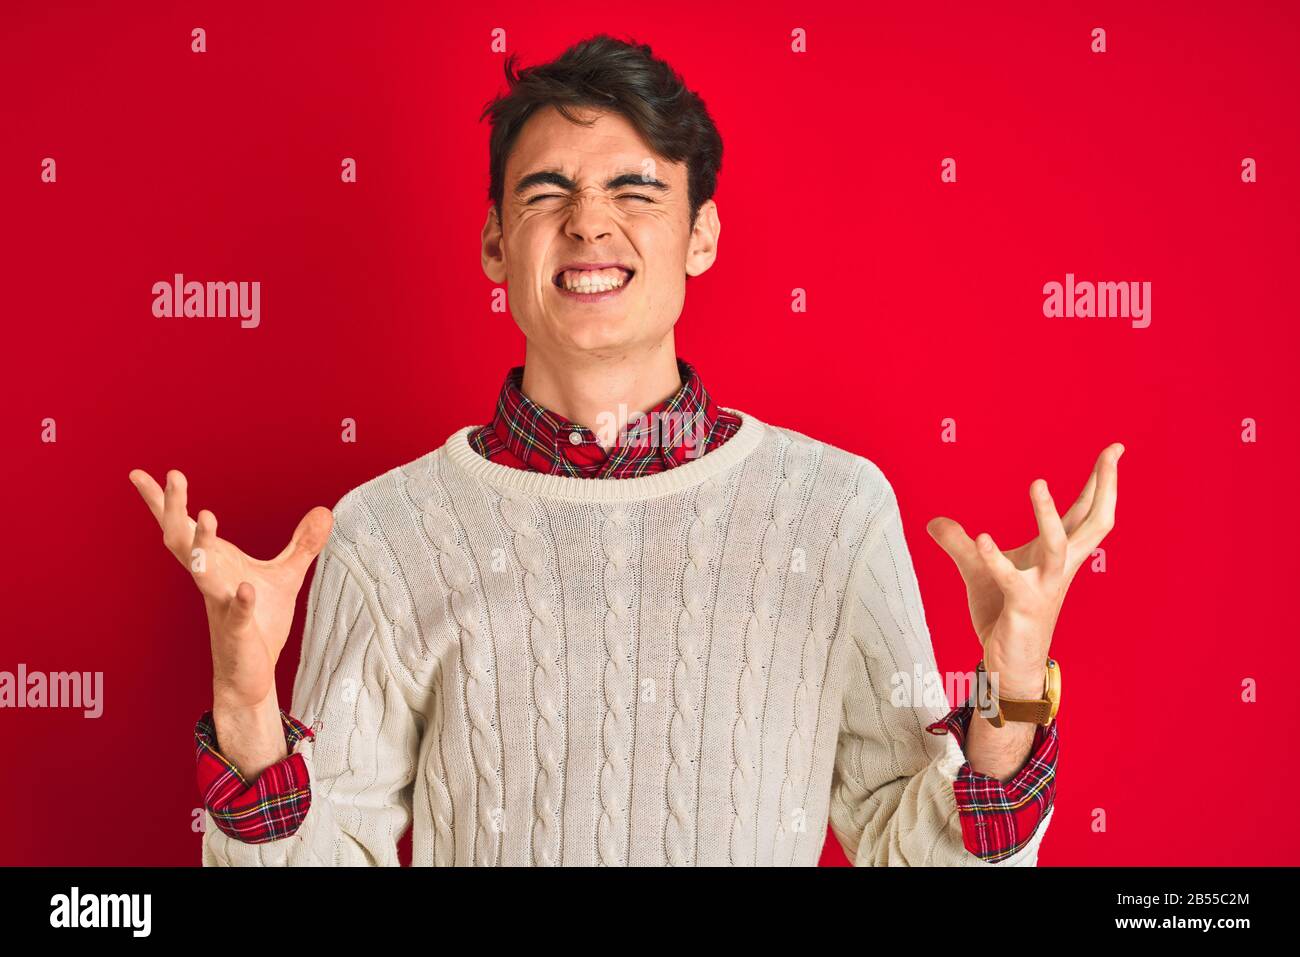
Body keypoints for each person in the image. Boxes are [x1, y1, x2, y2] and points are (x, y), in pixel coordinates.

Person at [128, 34, 1121, 866]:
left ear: (702, 235)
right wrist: (247, 711)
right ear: (492, 243)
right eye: (545, 193)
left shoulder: (835, 511)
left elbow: (921, 852)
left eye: (636, 192)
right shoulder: (383, 533)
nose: (589, 223)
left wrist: (1014, 681)